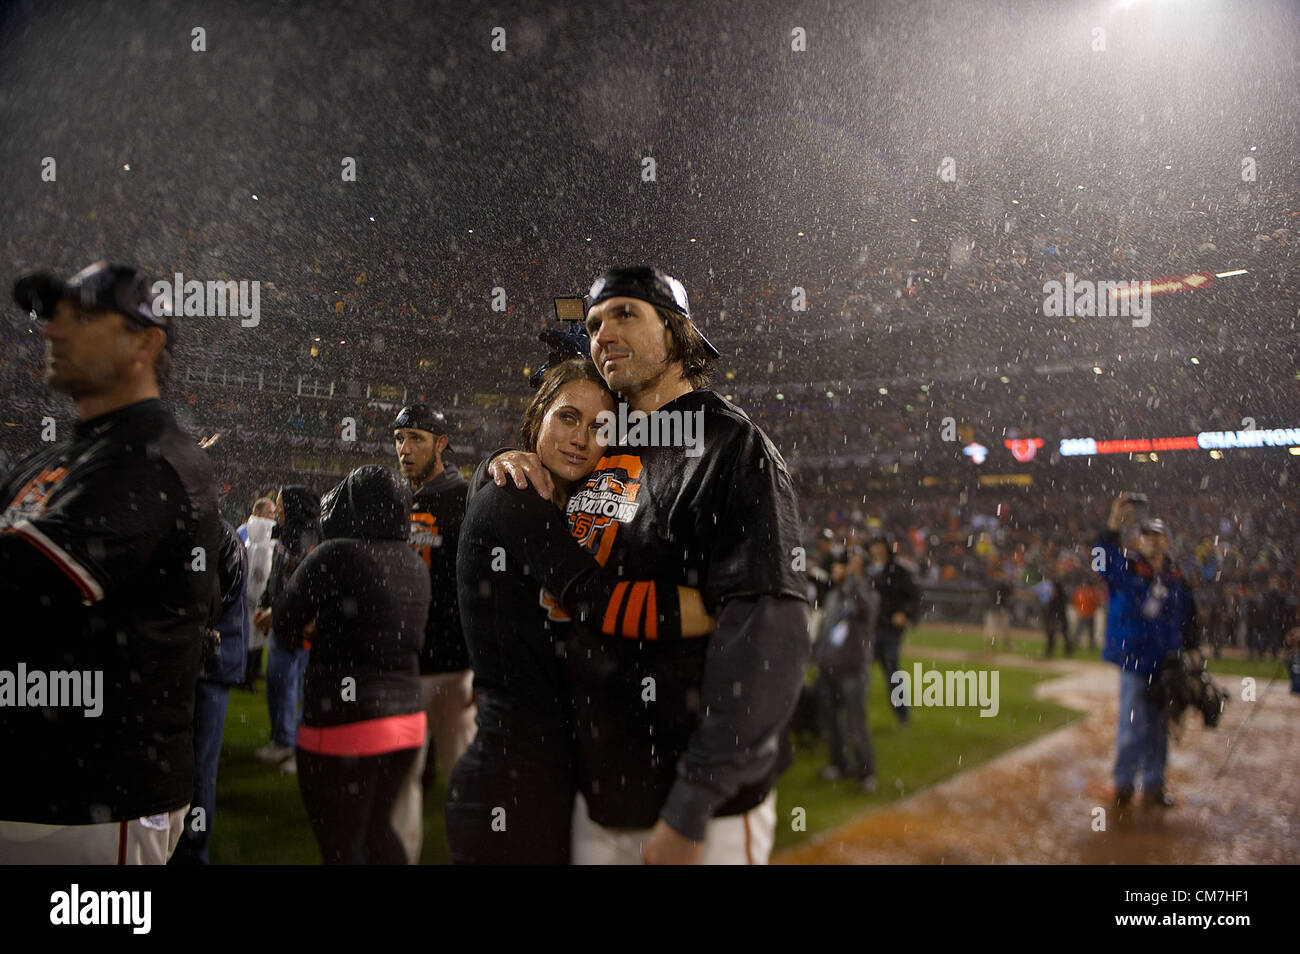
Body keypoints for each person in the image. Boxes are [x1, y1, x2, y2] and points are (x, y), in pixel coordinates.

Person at [489, 266, 809, 864]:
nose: (602, 332)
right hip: (600, 796)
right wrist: (508, 464)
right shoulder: (606, 446)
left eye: (625, 314)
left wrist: (691, 807)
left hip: (694, 815)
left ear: (679, 331)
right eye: (592, 323)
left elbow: (768, 633)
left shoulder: (731, 448)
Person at [450, 358, 714, 864]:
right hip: (511, 779)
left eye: (600, 428)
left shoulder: (567, 504)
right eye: (568, 418)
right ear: (537, 418)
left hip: (545, 772)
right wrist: (730, 605)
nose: (580, 438)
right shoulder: (516, 497)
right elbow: (595, 598)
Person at [0, 261, 218, 863]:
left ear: (146, 343)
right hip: (38, 791)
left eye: (84, 316)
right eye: (52, 315)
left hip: (94, 801)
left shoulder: (152, 459)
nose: (52, 331)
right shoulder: (59, 457)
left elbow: (23, 586)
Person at [270, 465, 429, 864]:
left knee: (342, 847)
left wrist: (315, 628)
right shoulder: (413, 563)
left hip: (345, 725)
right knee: (377, 832)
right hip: (407, 725)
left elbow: (283, 621)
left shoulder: (337, 552)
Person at [388, 404, 473, 864]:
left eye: (416, 438)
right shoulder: (397, 498)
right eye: (399, 438)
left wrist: (482, 665)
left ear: (441, 443)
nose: (404, 449)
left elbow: (483, 588)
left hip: (454, 665)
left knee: (463, 778)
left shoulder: (464, 498)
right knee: (401, 781)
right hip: (406, 664)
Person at [1095, 496, 1197, 812]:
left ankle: (1153, 785)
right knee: (1131, 727)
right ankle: (1123, 785)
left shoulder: (1176, 578)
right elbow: (1099, 561)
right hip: (1133, 661)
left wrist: (1191, 652)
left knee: (1158, 728)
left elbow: (1188, 617)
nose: (1153, 542)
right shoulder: (1125, 568)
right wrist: (1113, 523)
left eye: (1158, 536)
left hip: (1165, 662)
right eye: (1147, 536)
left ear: (1166, 541)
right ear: (1139, 540)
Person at [172, 518, 247, 864]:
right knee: (186, 765)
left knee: (200, 770)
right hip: (196, 662)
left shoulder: (219, 535)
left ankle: (192, 852)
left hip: (208, 666)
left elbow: (214, 600)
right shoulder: (208, 531)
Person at [254, 486, 321, 773]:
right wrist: (264, 603)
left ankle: (299, 749)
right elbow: (276, 577)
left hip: (302, 627)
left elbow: (305, 589)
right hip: (283, 623)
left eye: (281, 505)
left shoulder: (311, 537)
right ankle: (282, 740)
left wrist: (275, 612)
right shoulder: (285, 532)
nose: (278, 510)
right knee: (278, 684)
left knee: (305, 691)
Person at [813, 548, 879, 791]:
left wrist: (854, 578)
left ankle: (866, 774)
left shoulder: (865, 592)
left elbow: (866, 609)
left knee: (855, 722)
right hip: (829, 667)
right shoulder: (833, 597)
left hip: (853, 668)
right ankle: (840, 765)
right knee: (830, 721)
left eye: (842, 566)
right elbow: (825, 631)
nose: (837, 570)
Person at [865, 530, 920, 725]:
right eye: (874, 544)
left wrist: (905, 614)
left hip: (888, 630)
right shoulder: (865, 569)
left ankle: (902, 716)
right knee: (860, 672)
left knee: (892, 674)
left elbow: (914, 596)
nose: (877, 549)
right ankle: (855, 714)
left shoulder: (898, 570)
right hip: (868, 629)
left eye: (880, 544)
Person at [240, 502, 276, 692]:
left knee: (257, 632)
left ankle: (252, 670)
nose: (273, 515)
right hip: (252, 594)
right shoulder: (254, 538)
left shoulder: (266, 538)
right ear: (258, 512)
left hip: (260, 593)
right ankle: (245, 676)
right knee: (251, 633)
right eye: (269, 512)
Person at [1042, 578, 1072, 657]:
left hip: (1059, 618)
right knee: (1053, 636)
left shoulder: (1059, 597)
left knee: (1064, 635)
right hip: (1056, 618)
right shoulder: (1055, 597)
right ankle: (1049, 652)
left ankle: (1067, 650)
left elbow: (1057, 609)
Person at [1071, 578, 1102, 651]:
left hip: (1086, 614)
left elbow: (1096, 603)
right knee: (1083, 631)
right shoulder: (1088, 592)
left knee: (1085, 631)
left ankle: (1087, 646)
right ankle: (1078, 645)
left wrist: (1079, 610)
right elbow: (1076, 601)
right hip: (1086, 614)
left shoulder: (1086, 592)